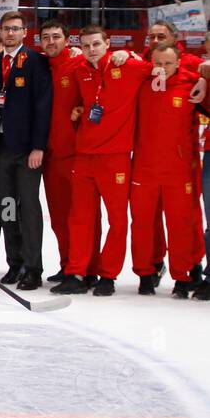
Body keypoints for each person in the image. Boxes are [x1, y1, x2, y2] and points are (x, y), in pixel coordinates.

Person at [53, 28, 152, 296]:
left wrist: (129, 52)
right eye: (85, 46)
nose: (91, 49)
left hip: (116, 157)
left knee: (117, 219)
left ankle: (108, 275)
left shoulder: (128, 66)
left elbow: (159, 63)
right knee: (80, 218)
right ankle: (77, 272)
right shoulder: (80, 69)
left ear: (107, 43)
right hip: (84, 154)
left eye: (96, 44)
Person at [131, 45, 205, 298]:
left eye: (168, 64)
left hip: (178, 169)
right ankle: (144, 273)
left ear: (178, 64)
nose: (162, 69)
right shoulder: (140, 82)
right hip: (144, 167)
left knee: (180, 224)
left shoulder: (191, 82)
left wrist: (205, 79)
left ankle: (183, 276)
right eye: (157, 63)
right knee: (142, 223)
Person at [0, 11, 53, 290]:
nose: (10, 33)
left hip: (27, 150)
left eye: (15, 29)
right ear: (0, 33)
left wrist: (38, 146)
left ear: (24, 32)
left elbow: (43, 106)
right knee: (7, 207)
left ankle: (33, 267)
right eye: (6, 29)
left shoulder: (37, 62)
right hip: (1, 148)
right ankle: (14, 262)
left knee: (27, 207)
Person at [37, 20, 85, 285]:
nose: (51, 41)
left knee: (79, 216)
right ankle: (68, 264)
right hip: (50, 154)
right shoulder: (41, 65)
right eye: (46, 37)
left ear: (68, 40)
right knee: (58, 217)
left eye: (56, 36)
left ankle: (84, 268)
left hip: (75, 153)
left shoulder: (78, 63)